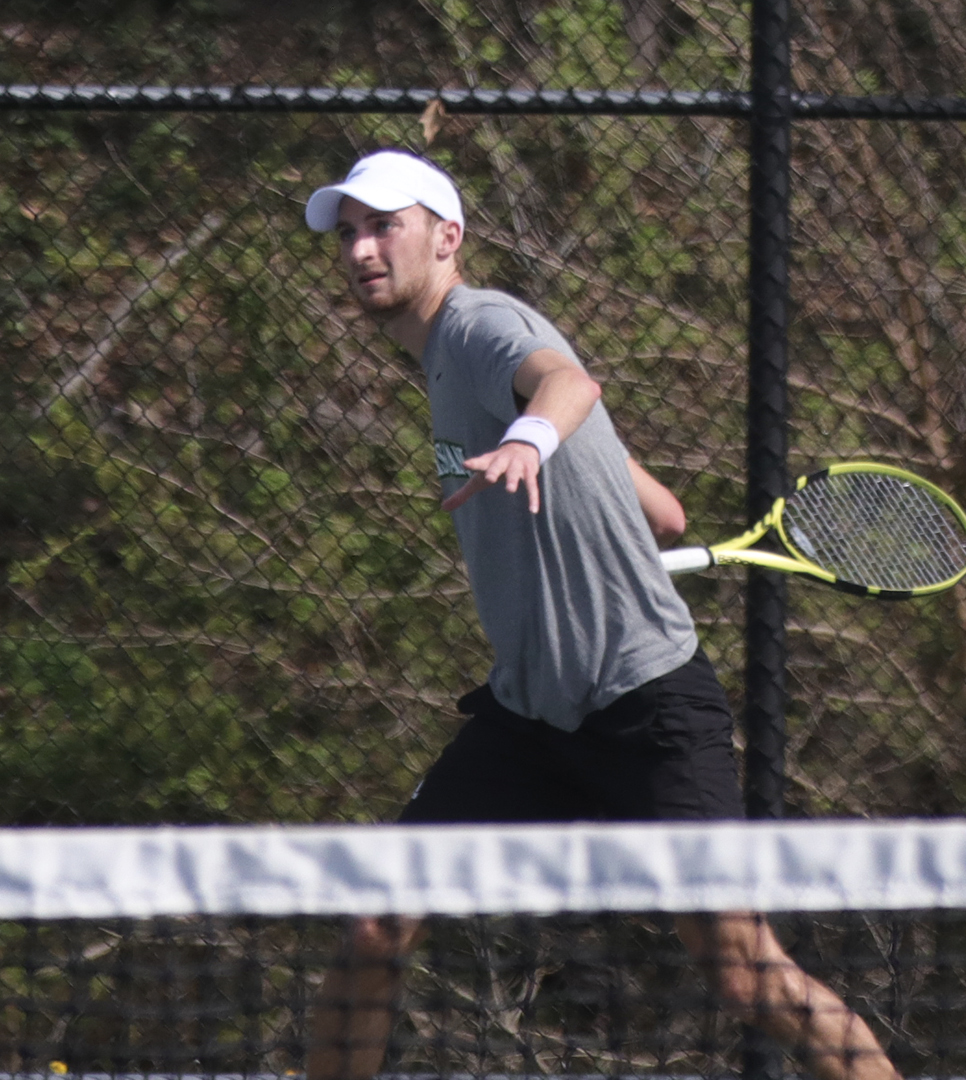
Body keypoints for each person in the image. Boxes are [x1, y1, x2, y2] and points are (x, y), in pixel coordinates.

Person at [298, 149, 902, 1080]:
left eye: (385, 225)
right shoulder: (438, 369)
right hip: (531, 717)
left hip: (646, 707)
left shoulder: (480, 324)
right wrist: (631, 499)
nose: (361, 249)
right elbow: (661, 509)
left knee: (746, 977)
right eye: (348, 233)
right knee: (378, 925)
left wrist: (534, 441)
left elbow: (570, 387)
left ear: (447, 237)